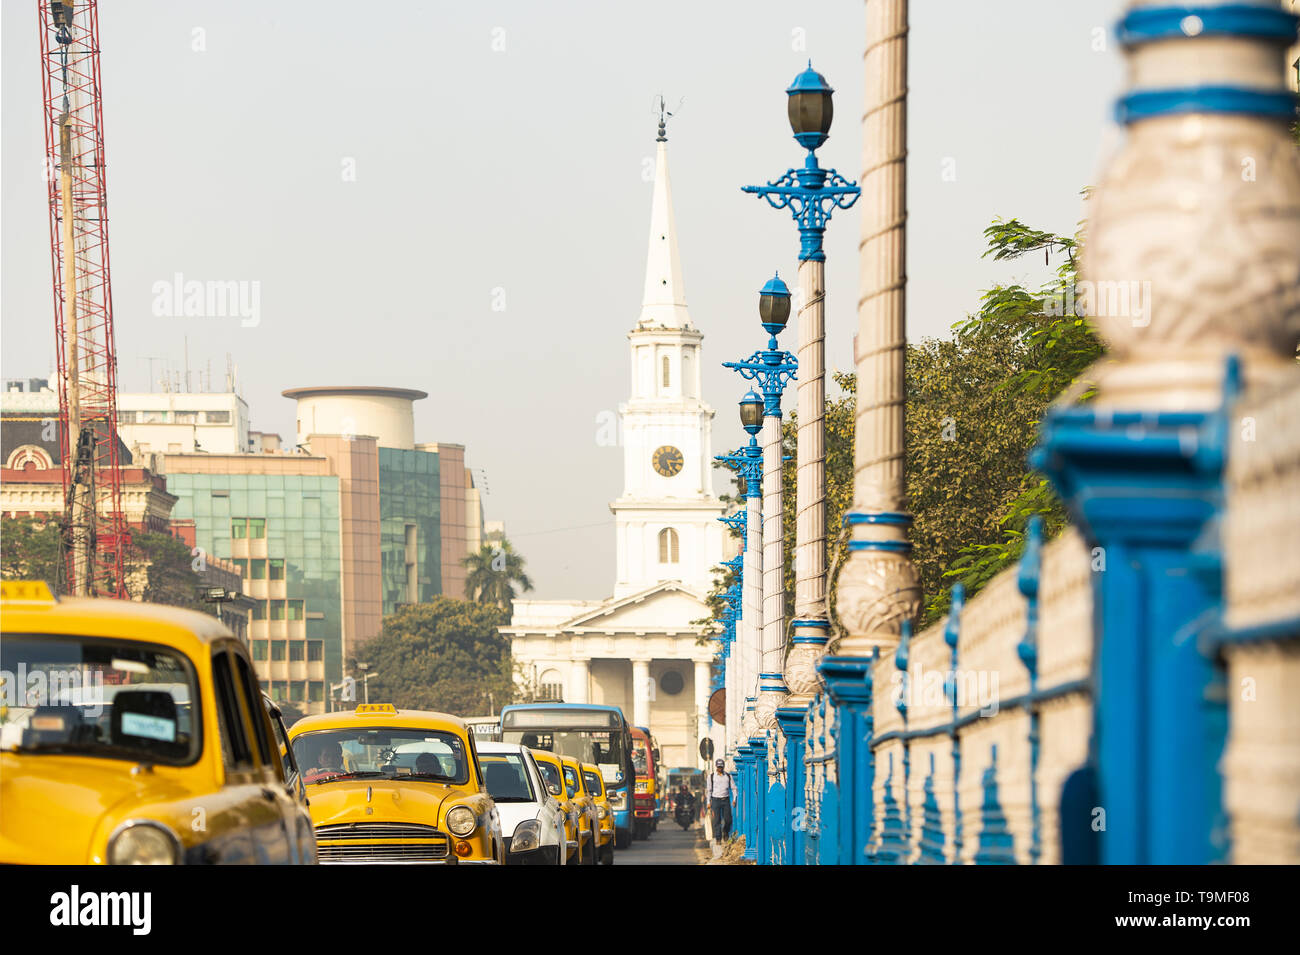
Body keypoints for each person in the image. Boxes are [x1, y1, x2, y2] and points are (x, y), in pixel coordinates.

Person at [706, 758, 734, 841]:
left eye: (721, 767)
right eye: (718, 767)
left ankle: (725, 832)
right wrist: (708, 802)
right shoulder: (711, 777)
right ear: (716, 767)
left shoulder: (728, 776)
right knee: (716, 820)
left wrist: (734, 799)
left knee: (728, 819)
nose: (720, 769)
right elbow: (709, 790)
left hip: (725, 799)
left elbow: (734, 788)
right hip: (715, 800)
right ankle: (718, 838)